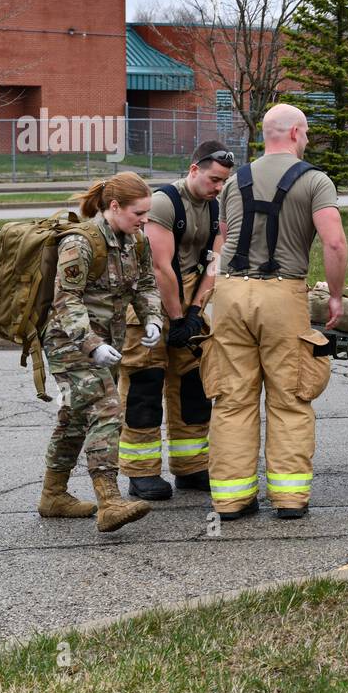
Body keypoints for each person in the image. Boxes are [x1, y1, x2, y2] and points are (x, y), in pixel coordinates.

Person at [202, 103, 348, 521]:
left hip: (230, 293)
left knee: (231, 399)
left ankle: (231, 500)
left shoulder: (234, 182)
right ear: (298, 133)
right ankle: (288, 498)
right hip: (282, 294)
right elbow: (334, 243)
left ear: (266, 135)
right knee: (289, 396)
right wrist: (335, 296)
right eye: (306, 134)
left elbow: (224, 239)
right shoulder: (315, 181)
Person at [39, 171, 162, 532]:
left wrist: (151, 318)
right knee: (107, 407)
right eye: (138, 213)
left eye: (146, 213)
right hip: (69, 342)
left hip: (109, 342)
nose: (145, 220)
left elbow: (145, 283)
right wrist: (91, 346)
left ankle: (53, 495)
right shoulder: (80, 243)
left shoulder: (136, 240)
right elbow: (66, 300)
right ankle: (110, 502)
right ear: (114, 207)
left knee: (76, 416)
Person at [117, 141, 233, 500]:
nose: (218, 187)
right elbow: (159, 267)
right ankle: (141, 473)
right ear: (194, 169)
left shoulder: (217, 208)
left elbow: (215, 261)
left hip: (191, 297)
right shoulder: (166, 202)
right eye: (213, 179)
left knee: (192, 386)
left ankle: (191, 466)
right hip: (150, 301)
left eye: (223, 182)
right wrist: (176, 316)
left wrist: (196, 313)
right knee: (145, 386)